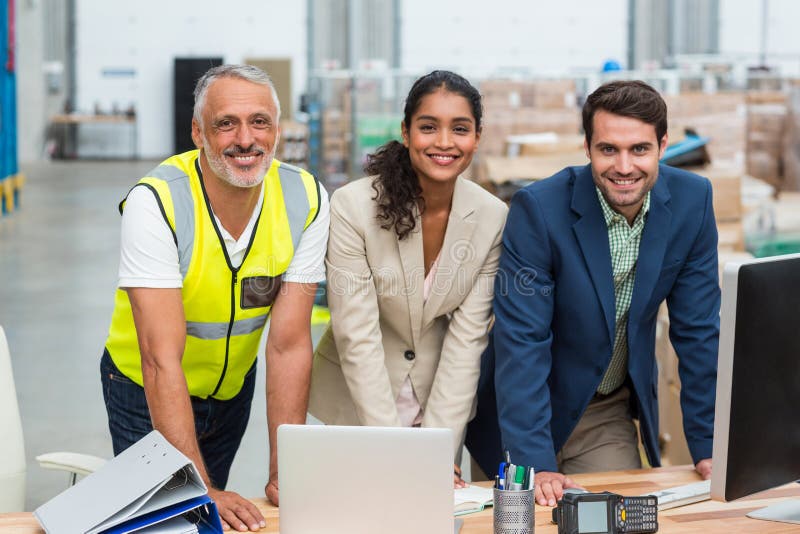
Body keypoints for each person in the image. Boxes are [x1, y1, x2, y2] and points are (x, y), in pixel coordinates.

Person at [468, 80, 719, 506]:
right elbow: (522, 340)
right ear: (587, 148)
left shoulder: (693, 202)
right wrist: (533, 460)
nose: (624, 166)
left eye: (639, 149)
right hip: (521, 409)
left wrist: (712, 448)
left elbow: (698, 333)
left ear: (663, 145)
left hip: (604, 410)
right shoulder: (539, 210)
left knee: (621, 518)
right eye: (608, 150)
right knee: (519, 522)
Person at [100, 64, 329, 531]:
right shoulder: (157, 202)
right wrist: (198, 488)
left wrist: (286, 468)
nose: (246, 139)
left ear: (278, 129)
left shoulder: (305, 199)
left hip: (230, 392)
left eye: (259, 121)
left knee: (212, 525)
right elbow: (160, 358)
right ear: (198, 132)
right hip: (143, 389)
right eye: (226, 123)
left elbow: (288, 345)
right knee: (169, 520)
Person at [308, 70, 508, 486]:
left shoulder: (491, 217)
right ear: (405, 131)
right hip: (358, 407)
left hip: (439, 404)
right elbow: (355, 332)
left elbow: (468, 339)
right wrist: (396, 451)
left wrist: (435, 448)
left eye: (460, 129)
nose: (444, 142)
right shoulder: (353, 206)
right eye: (428, 127)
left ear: (477, 136)